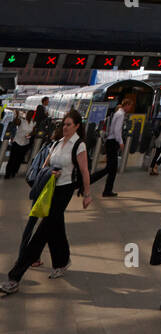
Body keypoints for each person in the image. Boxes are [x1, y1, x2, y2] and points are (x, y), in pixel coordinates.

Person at [0, 109, 91, 294]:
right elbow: (45, 164)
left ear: (77, 127)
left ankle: (15, 277)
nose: (65, 127)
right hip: (50, 188)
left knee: (41, 233)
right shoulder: (57, 143)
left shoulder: (79, 145)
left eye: (69, 125)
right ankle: (62, 261)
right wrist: (50, 171)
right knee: (56, 227)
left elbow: (84, 171)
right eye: (64, 124)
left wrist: (87, 194)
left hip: (64, 189)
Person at [91, 94, 133, 197]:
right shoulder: (121, 114)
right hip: (113, 142)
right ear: (126, 105)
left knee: (111, 169)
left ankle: (107, 190)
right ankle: (91, 180)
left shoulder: (117, 113)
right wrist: (121, 142)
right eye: (130, 106)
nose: (130, 108)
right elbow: (117, 130)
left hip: (111, 142)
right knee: (110, 168)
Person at [5, 111, 34, 179]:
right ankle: (8, 173)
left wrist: (30, 135)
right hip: (17, 142)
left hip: (25, 143)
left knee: (19, 159)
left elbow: (32, 132)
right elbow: (15, 122)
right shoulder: (21, 121)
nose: (29, 115)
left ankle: (14, 172)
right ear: (27, 115)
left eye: (31, 114)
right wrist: (17, 116)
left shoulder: (32, 123)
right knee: (12, 158)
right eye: (28, 114)